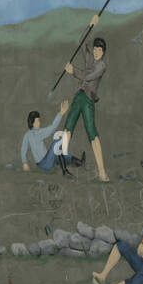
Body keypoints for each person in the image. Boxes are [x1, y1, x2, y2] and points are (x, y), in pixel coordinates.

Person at [57, 20, 110, 182]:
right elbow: (81, 41)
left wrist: (73, 71)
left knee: (92, 133)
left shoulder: (101, 66)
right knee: (68, 128)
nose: (96, 52)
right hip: (79, 96)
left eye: (99, 50)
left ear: (103, 52)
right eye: (95, 49)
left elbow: (88, 76)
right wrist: (90, 25)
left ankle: (102, 172)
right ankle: (64, 165)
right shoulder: (89, 57)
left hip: (88, 101)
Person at [20, 99, 77, 174]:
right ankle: (65, 171)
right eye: (38, 121)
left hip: (45, 161)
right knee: (56, 142)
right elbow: (52, 127)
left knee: (61, 155)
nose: (39, 123)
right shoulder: (37, 133)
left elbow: (23, 150)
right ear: (32, 122)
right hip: (45, 163)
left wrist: (24, 163)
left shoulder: (27, 135)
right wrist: (61, 113)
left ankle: (80, 163)